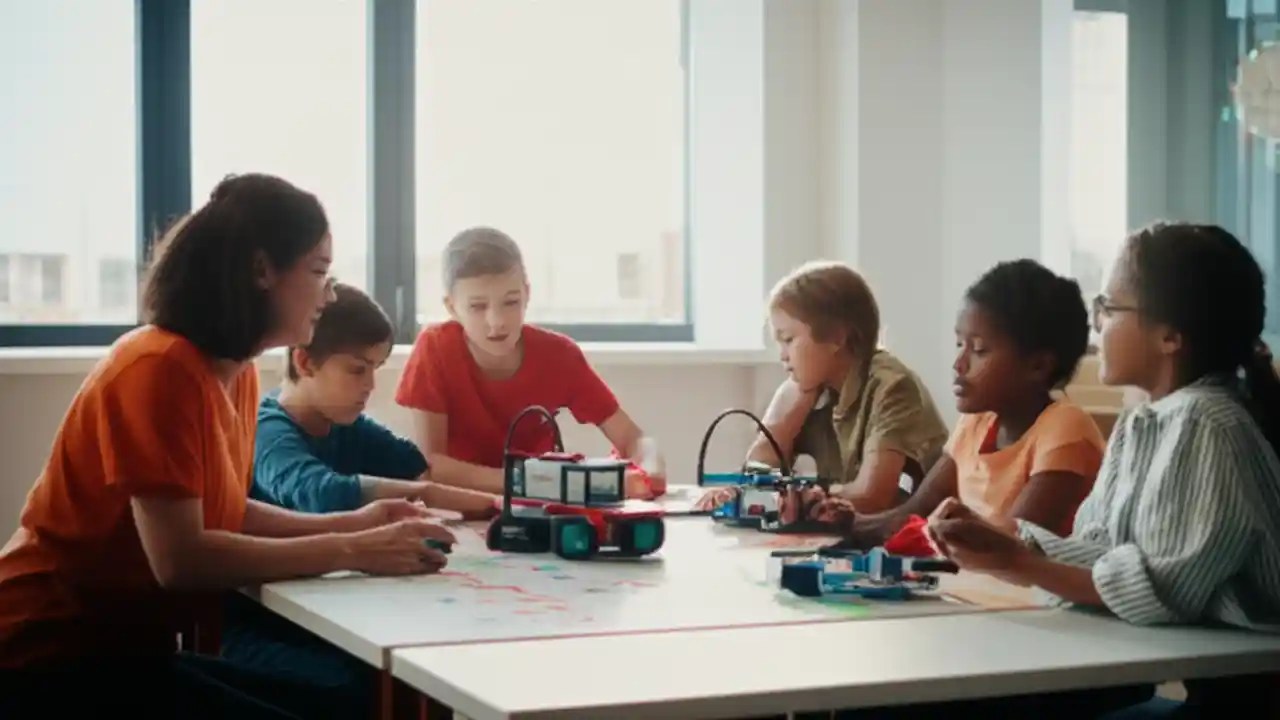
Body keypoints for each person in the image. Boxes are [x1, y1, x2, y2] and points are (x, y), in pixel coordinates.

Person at [0, 174, 455, 719]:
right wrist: (354, 550)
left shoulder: (234, 372)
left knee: (350, 698)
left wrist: (357, 523)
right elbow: (181, 560)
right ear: (262, 270)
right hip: (46, 657)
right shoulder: (158, 367)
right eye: (318, 272)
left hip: (125, 654)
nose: (330, 294)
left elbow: (226, 511)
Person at [918, 222, 1280, 717]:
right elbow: (1103, 548)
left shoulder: (1205, 422)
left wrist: (1020, 563)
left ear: (1170, 336)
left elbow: (1160, 591)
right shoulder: (1144, 423)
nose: (1098, 325)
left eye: (1108, 308)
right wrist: (1008, 547)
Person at [806, 259, 1105, 547]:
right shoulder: (976, 423)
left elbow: (1014, 548)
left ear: (1038, 366)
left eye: (979, 349)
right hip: (975, 579)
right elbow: (915, 512)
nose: (959, 364)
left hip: (1016, 583)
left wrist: (944, 527)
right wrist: (843, 522)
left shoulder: (1066, 429)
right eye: (960, 344)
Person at [395, 226, 667, 498]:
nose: (497, 321)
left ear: (527, 294)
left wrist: (651, 465)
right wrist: (536, 482)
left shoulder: (559, 355)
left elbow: (632, 437)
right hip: (462, 505)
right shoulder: (435, 348)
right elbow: (431, 464)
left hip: (539, 506)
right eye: (478, 307)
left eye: (511, 302)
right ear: (452, 307)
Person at [696, 260, 948, 515]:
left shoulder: (893, 387)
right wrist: (784, 419)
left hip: (914, 533)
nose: (782, 355)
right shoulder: (815, 387)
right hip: (854, 530)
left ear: (837, 337)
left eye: (788, 340)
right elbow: (758, 471)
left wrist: (793, 496)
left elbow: (872, 496)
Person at [250, 281, 497, 518]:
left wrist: (499, 506)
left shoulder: (345, 425)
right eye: (357, 370)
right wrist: (424, 492)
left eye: (374, 369)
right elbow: (320, 494)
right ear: (305, 363)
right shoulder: (265, 432)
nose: (371, 386)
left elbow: (417, 469)